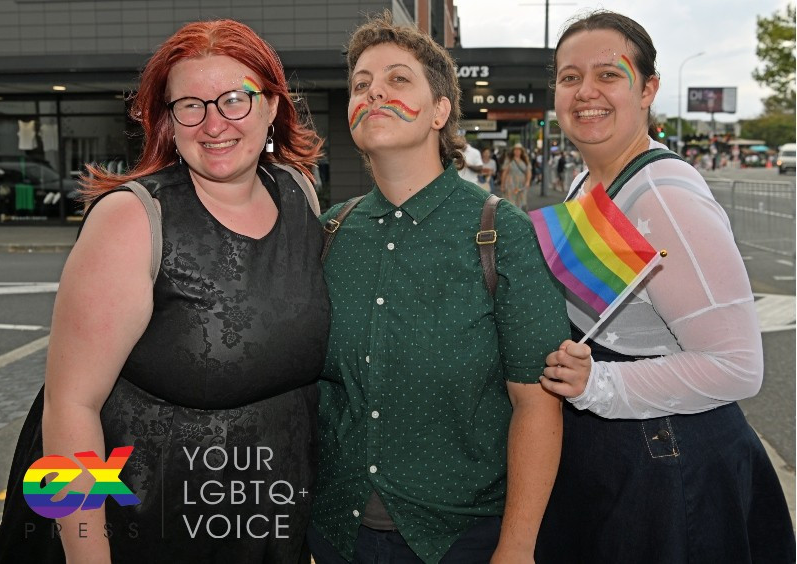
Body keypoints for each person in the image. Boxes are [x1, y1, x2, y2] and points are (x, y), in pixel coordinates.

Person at [0, 19, 329, 563]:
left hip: (269, 518)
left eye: (234, 100)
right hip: (145, 529)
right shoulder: (132, 220)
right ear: (168, 123)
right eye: (189, 105)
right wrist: (87, 553)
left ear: (272, 105)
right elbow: (69, 406)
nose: (213, 122)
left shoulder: (298, 193)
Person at [308, 12, 570, 564]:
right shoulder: (329, 232)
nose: (373, 91)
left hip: (463, 542)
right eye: (361, 84)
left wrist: (517, 547)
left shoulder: (500, 233)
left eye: (398, 79)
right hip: (337, 533)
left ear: (441, 111)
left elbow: (536, 404)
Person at [534, 10, 795, 563]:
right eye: (569, 76)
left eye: (609, 74)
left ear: (648, 88)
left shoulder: (664, 196)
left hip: (671, 472)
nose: (586, 92)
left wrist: (595, 384)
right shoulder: (588, 180)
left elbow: (737, 364)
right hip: (620, 461)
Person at [500, 142, 532, 209]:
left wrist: (528, 181)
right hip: (510, 184)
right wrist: (502, 185)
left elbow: (528, 172)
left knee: (520, 201)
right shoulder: (509, 160)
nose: (517, 151)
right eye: (515, 150)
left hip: (521, 184)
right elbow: (504, 173)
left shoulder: (525, 160)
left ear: (521, 151)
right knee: (511, 201)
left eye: (519, 150)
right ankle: (511, 217)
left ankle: (518, 216)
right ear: (513, 151)